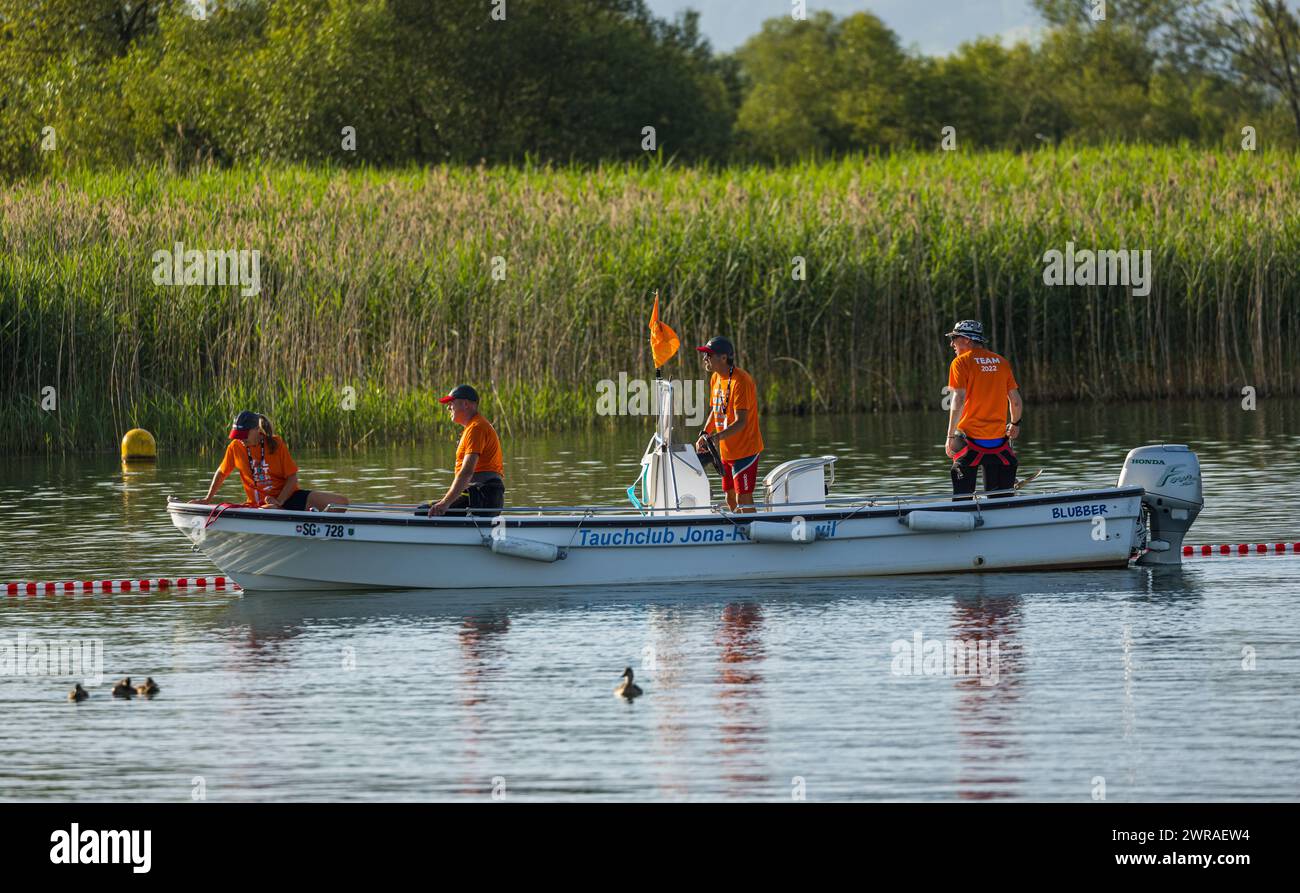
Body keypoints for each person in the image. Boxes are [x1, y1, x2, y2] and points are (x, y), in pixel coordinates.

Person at [198, 411, 350, 511]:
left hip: (286, 498)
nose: (240, 439)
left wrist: (279, 502)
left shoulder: (276, 443)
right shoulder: (235, 447)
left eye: (244, 434)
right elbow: (221, 472)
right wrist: (207, 499)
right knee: (265, 511)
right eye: (237, 435)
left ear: (257, 430)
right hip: (258, 506)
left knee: (341, 503)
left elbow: (292, 478)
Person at [943, 320, 1024, 499]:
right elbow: (1016, 402)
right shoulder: (1002, 362)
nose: (952, 344)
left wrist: (949, 436)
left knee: (962, 500)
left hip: (969, 443)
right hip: (999, 445)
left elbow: (958, 399)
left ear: (966, 340)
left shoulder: (960, 363)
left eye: (954, 339)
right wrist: (1015, 423)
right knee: (1002, 504)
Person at [693, 336, 764, 513]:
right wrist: (704, 432)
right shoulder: (715, 379)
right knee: (729, 497)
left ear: (723, 358)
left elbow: (741, 422)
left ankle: (752, 531)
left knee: (743, 498)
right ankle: (740, 531)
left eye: (708, 355)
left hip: (745, 450)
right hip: (726, 451)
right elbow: (716, 411)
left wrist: (716, 437)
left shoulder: (742, 381)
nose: (705, 359)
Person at [424, 385, 505, 517]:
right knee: (426, 508)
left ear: (466, 404)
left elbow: (467, 472)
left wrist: (445, 503)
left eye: (451, 403)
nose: (448, 407)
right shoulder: (473, 427)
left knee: (422, 512)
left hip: (483, 497)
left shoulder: (476, 428)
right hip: (482, 496)